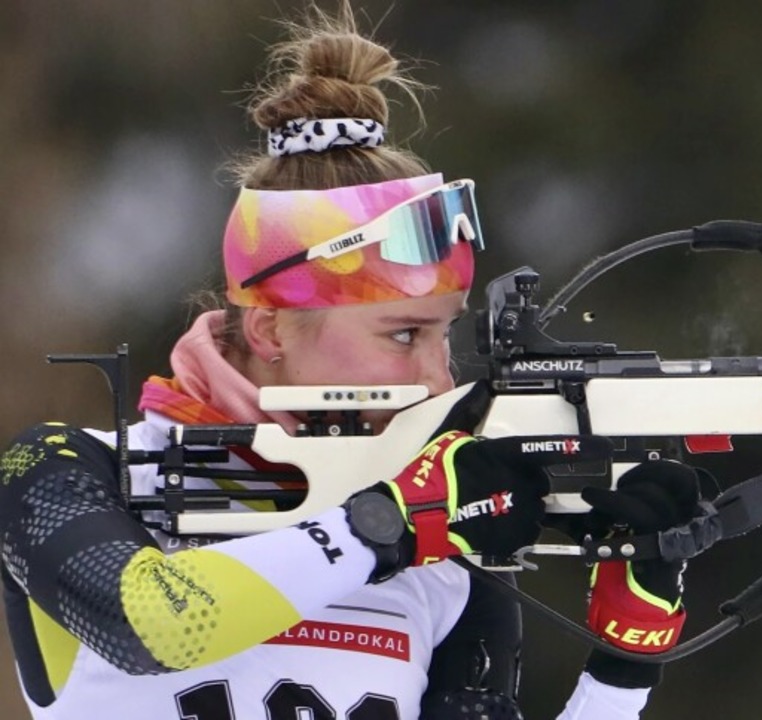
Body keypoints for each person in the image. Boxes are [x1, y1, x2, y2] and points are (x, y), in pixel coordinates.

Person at [0, 5, 698, 719]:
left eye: (444, 336)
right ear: (271, 327)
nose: (438, 378)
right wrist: (384, 526)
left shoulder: (441, 555)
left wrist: (620, 674)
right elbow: (155, 624)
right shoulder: (72, 470)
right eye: (402, 335)